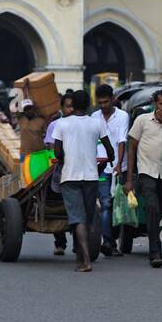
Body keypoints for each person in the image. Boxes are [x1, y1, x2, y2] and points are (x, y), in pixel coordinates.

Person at [53, 90, 115, 272]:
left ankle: (85, 261)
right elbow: (110, 152)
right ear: (89, 104)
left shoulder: (61, 124)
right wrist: (99, 167)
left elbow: (57, 152)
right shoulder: (97, 123)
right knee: (87, 219)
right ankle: (81, 256)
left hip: (69, 177)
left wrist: (66, 159)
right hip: (90, 177)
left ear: (72, 105)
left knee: (76, 218)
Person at [126, 88, 162, 268]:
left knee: (159, 211)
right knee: (152, 207)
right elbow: (132, 149)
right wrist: (129, 178)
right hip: (146, 172)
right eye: (161, 104)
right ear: (154, 104)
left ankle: (156, 247)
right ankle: (155, 253)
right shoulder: (142, 120)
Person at [93, 83, 129, 257]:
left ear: (113, 99)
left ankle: (112, 239)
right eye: (100, 102)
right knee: (106, 203)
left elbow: (122, 141)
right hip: (100, 168)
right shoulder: (94, 117)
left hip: (118, 168)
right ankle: (108, 242)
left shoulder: (122, 116)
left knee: (117, 206)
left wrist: (118, 164)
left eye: (106, 102)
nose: (103, 106)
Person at [44, 92, 75, 256]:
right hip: (60, 171)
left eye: (73, 106)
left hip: (79, 171)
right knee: (57, 204)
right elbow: (50, 148)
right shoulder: (55, 125)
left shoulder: (86, 124)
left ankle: (79, 243)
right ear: (62, 108)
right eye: (68, 106)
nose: (71, 110)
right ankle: (60, 242)